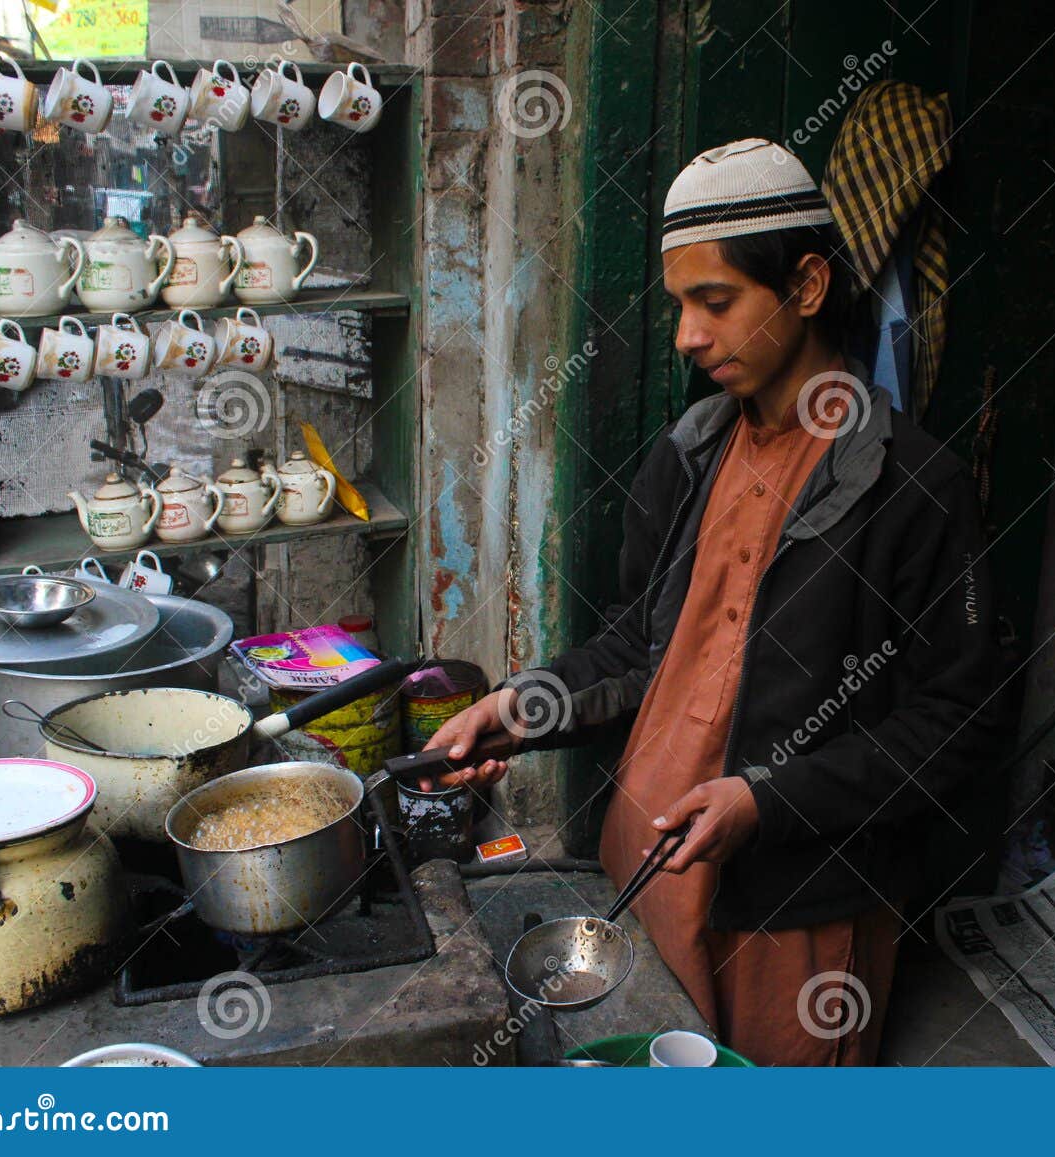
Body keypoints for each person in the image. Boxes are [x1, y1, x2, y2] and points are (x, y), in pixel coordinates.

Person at [425, 138, 1002, 1065]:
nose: (690, 335)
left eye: (716, 301)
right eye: (681, 305)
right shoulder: (689, 454)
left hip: (794, 918)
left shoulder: (915, 489)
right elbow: (638, 649)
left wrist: (768, 800)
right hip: (646, 866)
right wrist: (524, 707)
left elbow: (957, 724)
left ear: (808, 286)